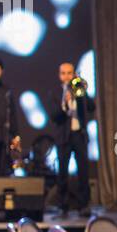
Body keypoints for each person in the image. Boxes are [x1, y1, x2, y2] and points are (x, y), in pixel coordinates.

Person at [49, 62, 95, 214]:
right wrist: (65, 103)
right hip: (63, 135)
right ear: (59, 75)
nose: (67, 76)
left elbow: (91, 107)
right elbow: (54, 116)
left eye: (69, 73)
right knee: (62, 171)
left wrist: (83, 92)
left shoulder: (78, 88)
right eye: (64, 73)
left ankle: (83, 204)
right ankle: (62, 205)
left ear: (74, 73)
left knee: (83, 170)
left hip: (78, 134)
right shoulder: (55, 92)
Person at [0, 55, 21, 176]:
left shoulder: (6, 91)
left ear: (1, 71)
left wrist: (16, 135)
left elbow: (12, 114)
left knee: (2, 174)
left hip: (3, 140)